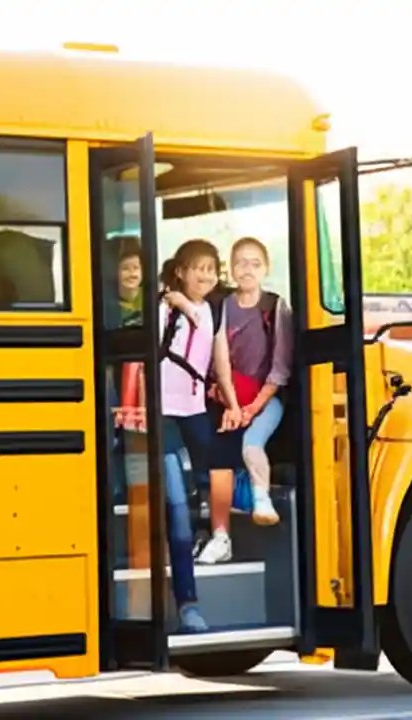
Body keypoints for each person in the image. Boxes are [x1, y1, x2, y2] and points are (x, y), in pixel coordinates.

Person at [158, 239, 245, 592]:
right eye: (198, 269)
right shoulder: (165, 308)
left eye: (211, 270)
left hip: (193, 405)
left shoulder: (214, 311)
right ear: (181, 273)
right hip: (164, 405)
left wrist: (233, 403)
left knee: (205, 467)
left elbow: (220, 362)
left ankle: (209, 535)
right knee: (176, 477)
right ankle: (185, 539)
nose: (205, 276)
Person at [218, 237, 293, 527]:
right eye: (240, 263)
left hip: (266, 399)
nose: (247, 270)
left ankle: (262, 502)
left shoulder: (274, 308)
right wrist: (230, 402)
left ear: (266, 269)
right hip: (228, 397)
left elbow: (280, 367)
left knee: (251, 445)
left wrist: (252, 407)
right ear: (231, 269)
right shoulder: (223, 307)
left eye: (255, 264)